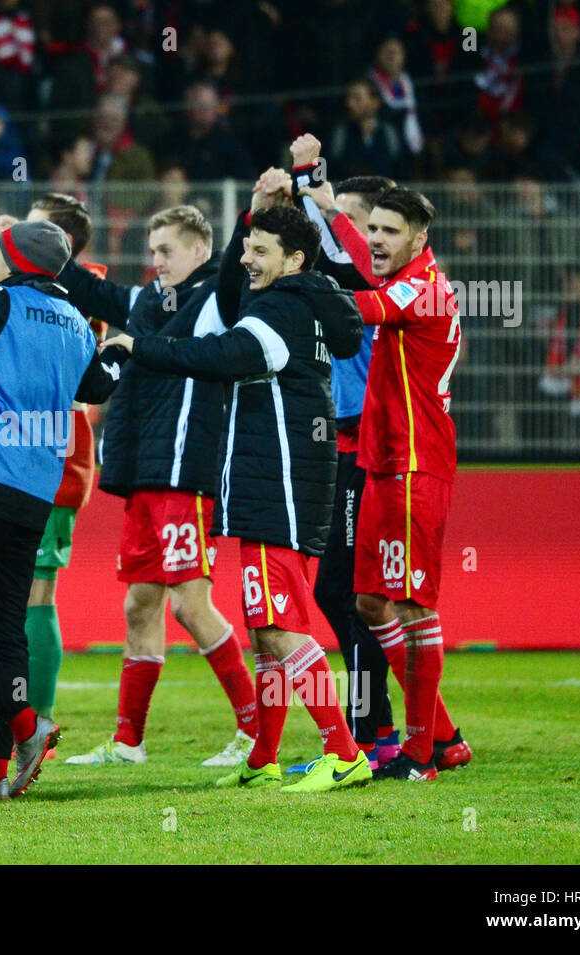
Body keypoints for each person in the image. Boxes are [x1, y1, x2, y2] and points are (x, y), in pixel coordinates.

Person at [104, 200, 370, 793]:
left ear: (294, 258)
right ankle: (264, 756)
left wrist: (138, 346)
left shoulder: (282, 307)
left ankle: (344, 751)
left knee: (277, 626)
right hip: (283, 476)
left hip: (277, 480)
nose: (247, 259)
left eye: (260, 250)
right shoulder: (307, 302)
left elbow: (220, 356)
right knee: (268, 626)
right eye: (246, 247)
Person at [59, 205, 258, 770]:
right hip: (146, 476)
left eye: (166, 251)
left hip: (183, 474)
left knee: (191, 606)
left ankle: (253, 735)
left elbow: (237, 271)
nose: (156, 262)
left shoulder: (218, 298)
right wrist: (42, 249)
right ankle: (128, 742)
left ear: (200, 250)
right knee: (140, 604)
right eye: (152, 252)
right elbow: (96, 295)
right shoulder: (151, 301)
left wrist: (257, 211)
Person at [0, 217, 127, 800]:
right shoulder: (74, 320)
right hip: (35, 493)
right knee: (5, 625)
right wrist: (121, 352)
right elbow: (97, 387)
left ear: (10, 258)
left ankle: (25, 726)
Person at [300, 176, 473, 781]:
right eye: (371, 228)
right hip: (382, 461)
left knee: (413, 606)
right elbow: (368, 278)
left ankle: (422, 755)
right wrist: (328, 211)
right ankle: (446, 736)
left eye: (388, 231)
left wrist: (294, 274)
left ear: (419, 238)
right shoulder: (404, 278)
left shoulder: (421, 291)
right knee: (370, 601)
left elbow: (358, 305)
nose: (375, 239)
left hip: (414, 464)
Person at [288, 134, 402, 769]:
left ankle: (370, 738)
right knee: (343, 594)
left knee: (353, 593)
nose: (357, 235)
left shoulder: (374, 276)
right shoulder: (349, 271)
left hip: (365, 447)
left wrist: (310, 177)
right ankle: (387, 731)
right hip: (341, 442)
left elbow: (332, 255)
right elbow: (320, 251)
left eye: (356, 221)